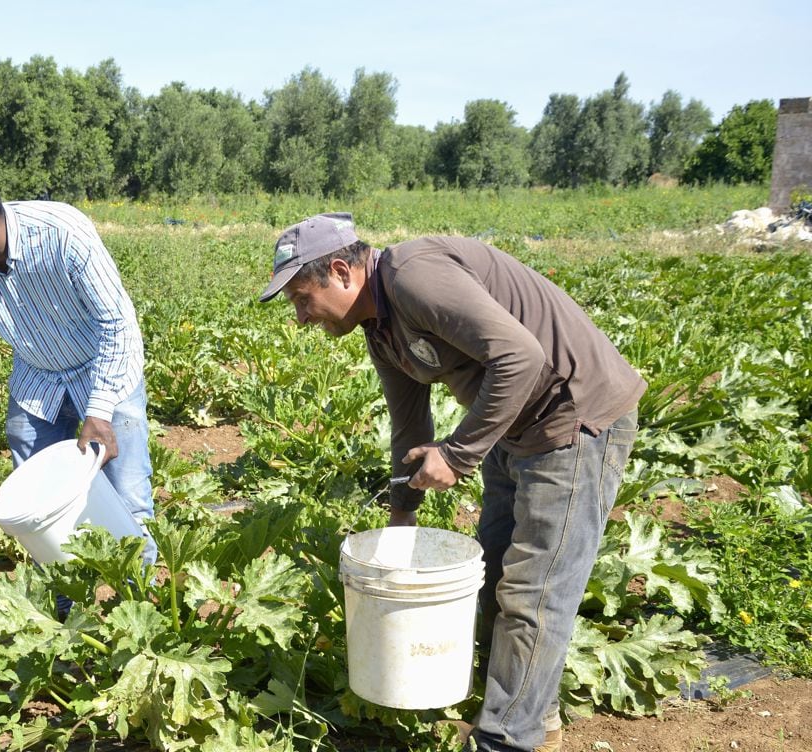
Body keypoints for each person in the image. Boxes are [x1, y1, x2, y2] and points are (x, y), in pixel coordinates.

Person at [259, 213, 644, 752]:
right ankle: (537, 721)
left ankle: (509, 741)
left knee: (535, 593)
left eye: (303, 298)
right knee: (497, 574)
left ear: (342, 271)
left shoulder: (414, 276)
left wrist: (459, 455)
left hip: (574, 419)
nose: (301, 317)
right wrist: (401, 521)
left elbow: (522, 356)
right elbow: (409, 425)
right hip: (513, 428)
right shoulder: (381, 328)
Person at [0, 167, 156, 563]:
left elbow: (118, 324)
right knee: (36, 508)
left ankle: (139, 605)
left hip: (105, 370)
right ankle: (59, 610)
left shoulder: (62, 232)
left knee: (129, 500)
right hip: (37, 378)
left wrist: (99, 410)